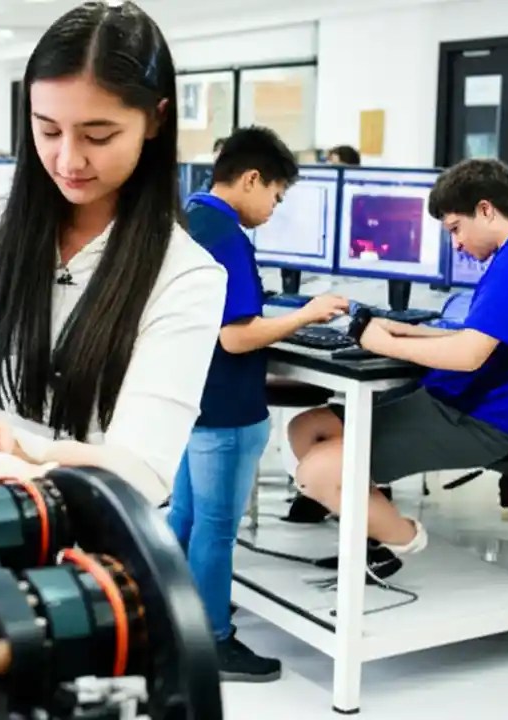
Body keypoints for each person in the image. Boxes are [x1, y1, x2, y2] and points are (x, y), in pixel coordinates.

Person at [0, 1, 227, 502]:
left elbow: (141, 473)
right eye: (48, 130)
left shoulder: (185, 276)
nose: (68, 159)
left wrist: (19, 449)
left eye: (98, 135)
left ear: (155, 120)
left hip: (78, 551)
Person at [288, 158, 508, 558]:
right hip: (453, 401)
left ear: (486, 209)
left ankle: (401, 539)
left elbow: (470, 355)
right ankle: (368, 523)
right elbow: (486, 337)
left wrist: (382, 342)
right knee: (309, 427)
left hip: (476, 418)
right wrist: (411, 330)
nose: (456, 244)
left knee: (318, 471)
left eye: (456, 229)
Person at [168, 126, 349, 682]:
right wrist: (307, 314)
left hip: (185, 398)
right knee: (216, 528)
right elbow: (236, 335)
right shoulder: (225, 235)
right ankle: (212, 641)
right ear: (251, 178)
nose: (273, 208)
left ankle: (168, 617)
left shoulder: (185, 218)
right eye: (275, 195)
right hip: (223, 405)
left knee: (184, 517)